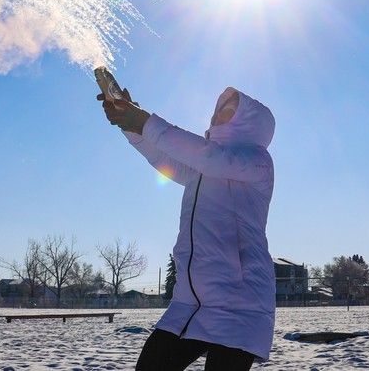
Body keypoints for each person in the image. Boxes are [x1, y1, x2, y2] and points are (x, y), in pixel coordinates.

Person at [98, 85, 276, 371]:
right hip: (190, 302)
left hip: (239, 305)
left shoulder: (256, 161)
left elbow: (209, 157)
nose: (218, 115)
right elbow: (164, 158)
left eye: (228, 110)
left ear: (249, 122)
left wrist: (143, 120)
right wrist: (129, 124)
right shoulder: (203, 164)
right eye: (218, 109)